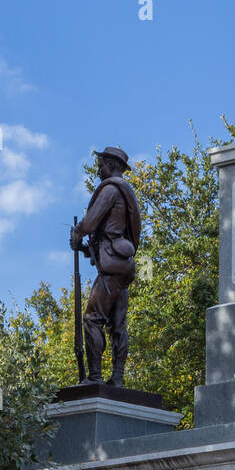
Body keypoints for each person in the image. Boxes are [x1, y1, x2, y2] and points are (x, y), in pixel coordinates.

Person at [70, 146, 141, 385]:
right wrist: (86, 249)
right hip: (123, 266)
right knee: (118, 325)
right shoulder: (125, 192)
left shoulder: (110, 189)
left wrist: (77, 232)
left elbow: (90, 224)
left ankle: (96, 378)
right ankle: (118, 379)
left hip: (111, 268)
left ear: (111, 165)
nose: (99, 169)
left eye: (101, 164)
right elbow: (112, 233)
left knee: (92, 319)